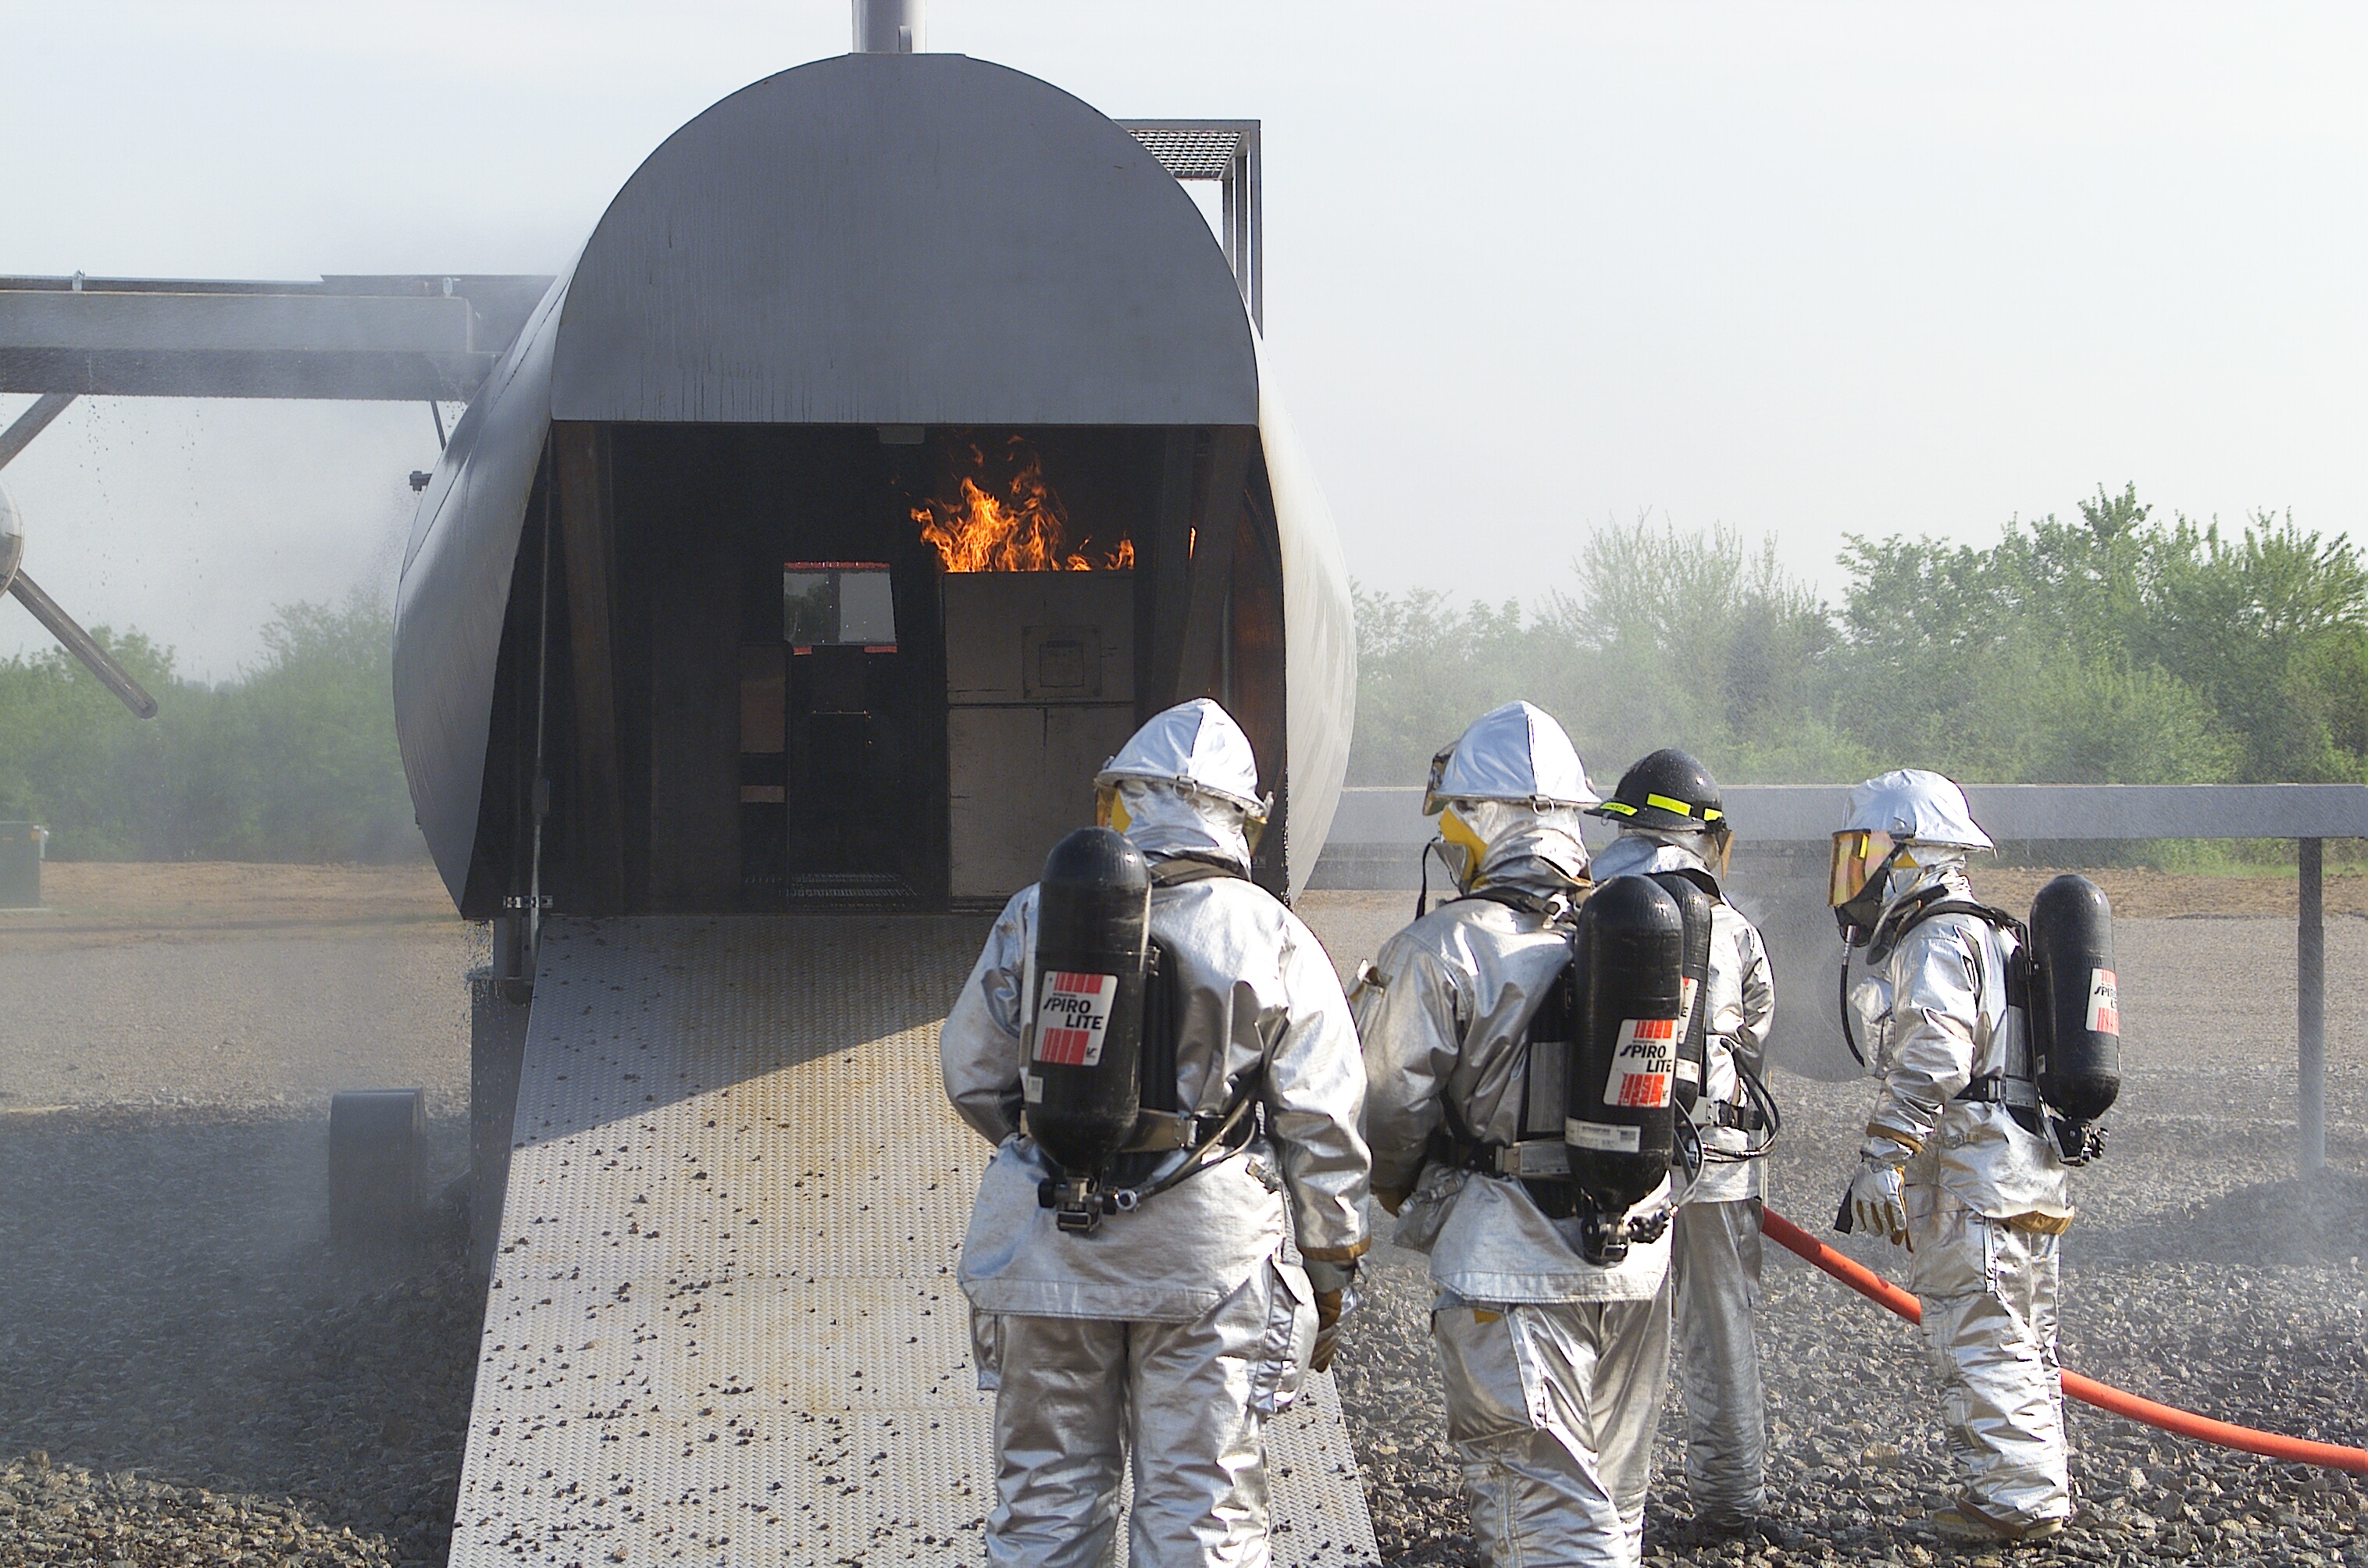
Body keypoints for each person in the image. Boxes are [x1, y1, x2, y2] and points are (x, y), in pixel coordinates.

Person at [943, 697, 1371, 1568]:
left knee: (1045, 1502)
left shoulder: (1036, 913)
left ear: (1120, 802)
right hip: (1207, 1261)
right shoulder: (1271, 933)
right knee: (1198, 1506)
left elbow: (971, 1072)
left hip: (1049, 1249)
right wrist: (1330, 1271)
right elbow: (1323, 1123)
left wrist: (1058, 1150)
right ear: (1239, 820)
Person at [1353, 700, 1673, 1568]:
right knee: (1610, 1486)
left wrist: (1394, 1189)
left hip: (1510, 1255)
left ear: (1485, 819)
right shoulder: (1640, 928)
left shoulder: (1441, 948)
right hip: (1637, 1250)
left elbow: (1383, 1106)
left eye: (1455, 817)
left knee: (1540, 1497)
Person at [1831, 768, 2075, 1544]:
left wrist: (1883, 1155)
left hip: (1974, 1171)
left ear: (1906, 852)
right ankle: (2031, 1487)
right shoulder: (1991, 930)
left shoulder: (1936, 935)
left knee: (1978, 1331)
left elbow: (1934, 1054)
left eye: (1864, 849)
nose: (1855, 868)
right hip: (2024, 1164)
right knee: (2022, 1338)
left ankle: (2013, 1502)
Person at [1587, 749, 1776, 1534]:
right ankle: (1731, 1501)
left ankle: (1595, 1513)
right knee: (1723, 1326)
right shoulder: (1731, 926)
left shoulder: (1596, 907)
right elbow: (1756, 1026)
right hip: (1721, 1155)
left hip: (1623, 1155)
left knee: (1616, 1334)